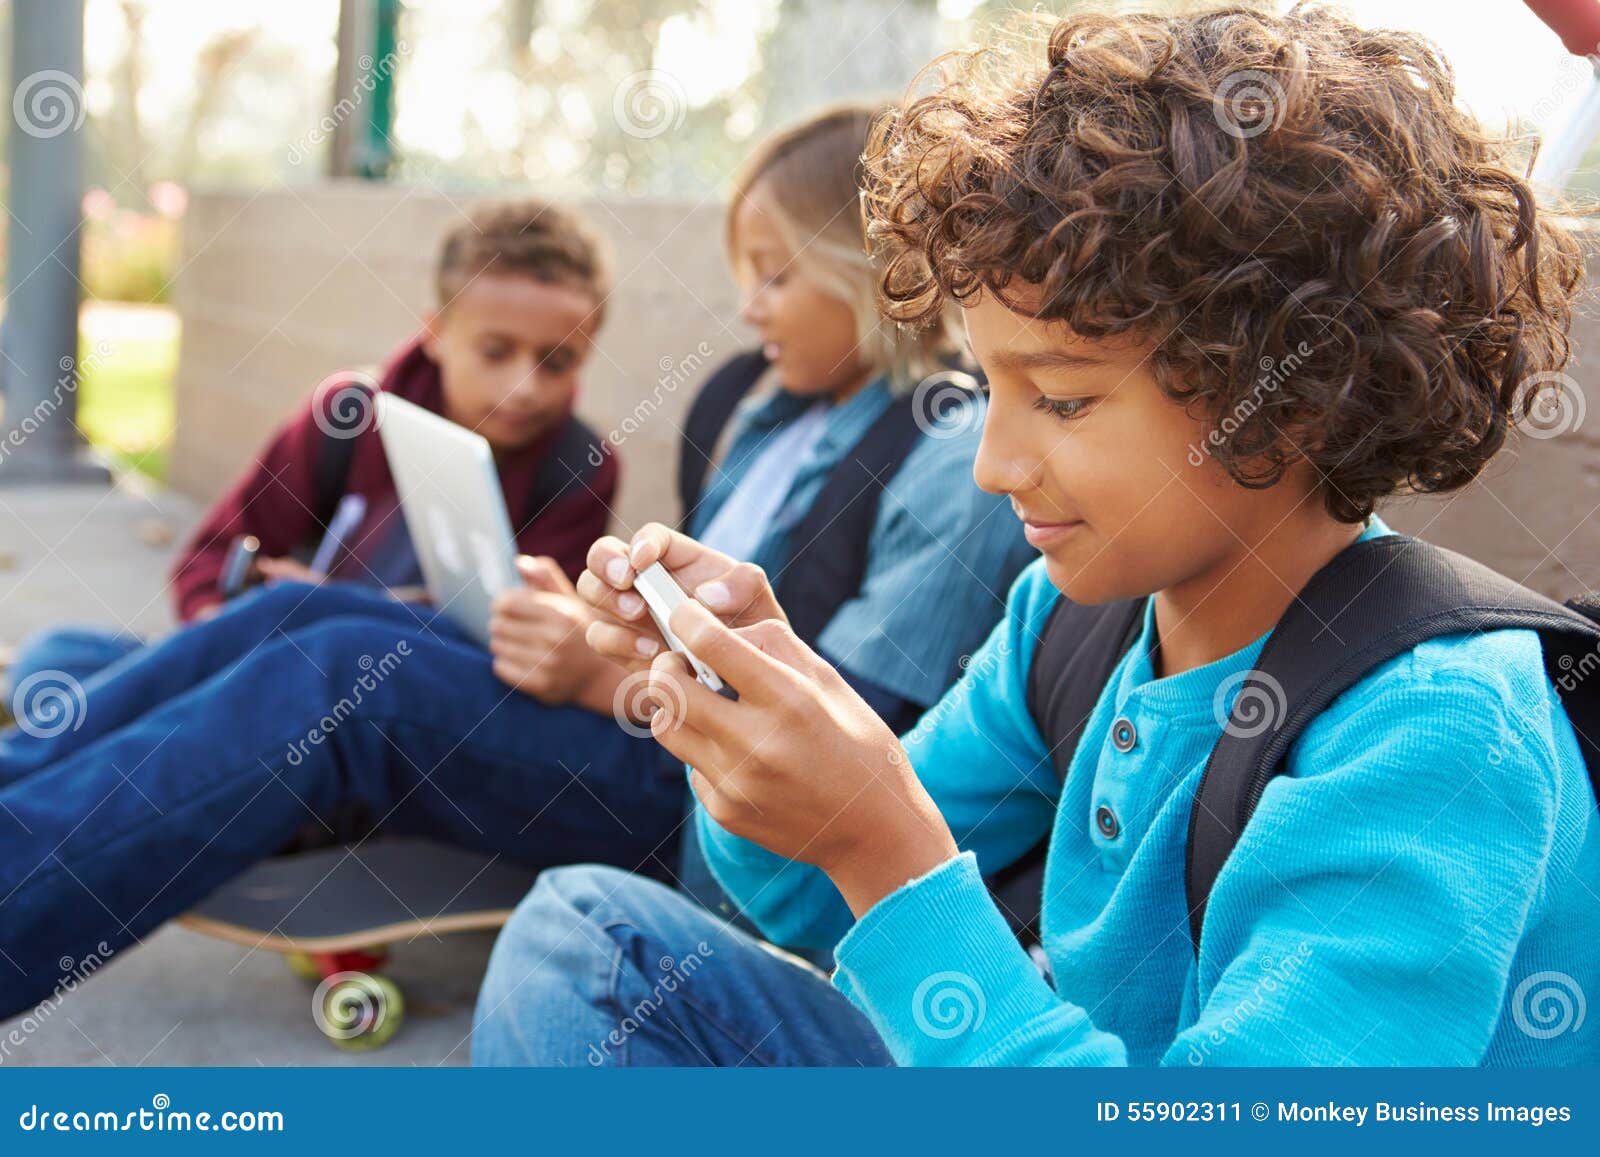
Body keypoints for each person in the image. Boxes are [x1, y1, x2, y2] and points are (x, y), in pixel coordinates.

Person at [473, 4, 1599, 1067]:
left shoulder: (1436, 732)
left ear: (1295, 400)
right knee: (591, 939)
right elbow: (808, 896)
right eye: (987, 387)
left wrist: (885, 850)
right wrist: (757, 711)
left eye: (1060, 400)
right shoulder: (1074, 617)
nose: (992, 462)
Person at [0, 106, 1031, 1017]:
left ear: (870, 272)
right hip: (649, 727)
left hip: (718, 814)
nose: (750, 308)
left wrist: (598, 670)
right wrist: (595, 627)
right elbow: (698, 628)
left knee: (346, 680)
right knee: (317, 624)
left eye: (775, 274)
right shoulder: (763, 411)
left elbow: (841, 751)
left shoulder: (946, 455)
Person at [4, 199, 617, 702]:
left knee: (84, 698)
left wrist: (321, 605)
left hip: (392, 706)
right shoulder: (346, 416)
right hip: (255, 660)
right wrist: (236, 611)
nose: (523, 386)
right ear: (434, 333)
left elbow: (515, 652)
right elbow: (210, 561)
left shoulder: (578, 471)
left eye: (555, 361)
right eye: (494, 351)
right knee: (55, 659)